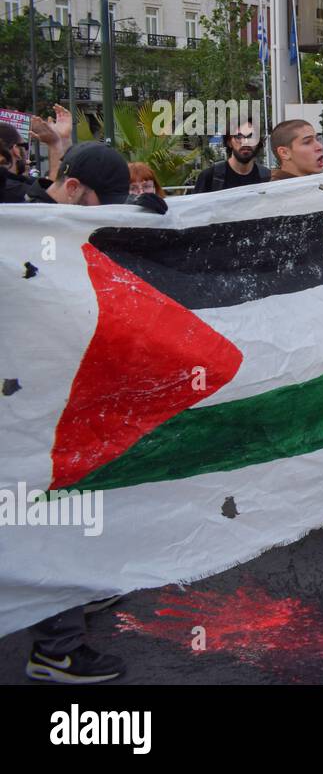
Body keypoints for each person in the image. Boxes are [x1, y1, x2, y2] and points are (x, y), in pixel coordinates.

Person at [21, 140, 141, 683]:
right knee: (46, 521)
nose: (106, 216)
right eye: (102, 203)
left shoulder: (46, 213)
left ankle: (71, 609)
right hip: (26, 412)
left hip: (53, 402)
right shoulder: (20, 226)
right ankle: (57, 651)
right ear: (71, 189)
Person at [190, 120, 270, 193]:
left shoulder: (267, 178)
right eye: (238, 137)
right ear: (229, 142)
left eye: (251, 136)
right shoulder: (210, 177)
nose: (245, 142)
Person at [0, 121, 34, 202]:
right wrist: (55, 144)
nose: (26, 152)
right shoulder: (18, 191)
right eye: (25, 146)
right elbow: (54, 201)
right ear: (16, 150)